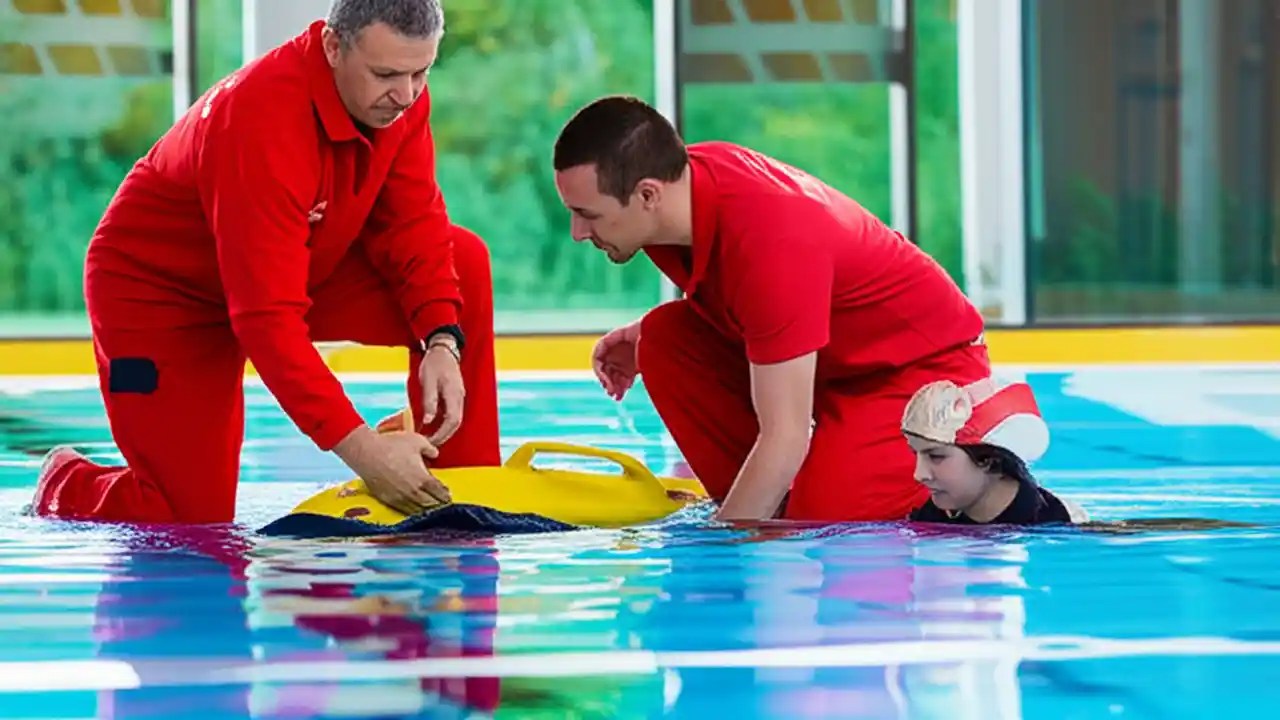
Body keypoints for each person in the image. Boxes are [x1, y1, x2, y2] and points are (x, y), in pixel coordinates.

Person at [30, 0, 500, 525]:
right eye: (387, 73)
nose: (407, 94)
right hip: (163, 294)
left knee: (465, 261)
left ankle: (457, 489)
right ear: (332, 46)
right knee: (187, 517)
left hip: (295, 261)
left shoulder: (399, 101)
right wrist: (363, 450)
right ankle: (64, 481)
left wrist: (440, 338)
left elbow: (414, 226)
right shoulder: (262, 120)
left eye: (421, 72)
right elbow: (265, 320)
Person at [551, 95, 991, 522]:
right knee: (665, 338)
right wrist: (641, 335)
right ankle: (766, 507)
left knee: (817, 524)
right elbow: (748, 294)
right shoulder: (683, 189)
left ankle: (974, 446)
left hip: (919, 373)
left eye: (587, 213)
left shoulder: (772, 242)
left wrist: (723, 549)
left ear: (647, 195)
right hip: (830, 364)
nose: (577, 232)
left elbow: (786, 434)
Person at [900, 377, 1084, 525]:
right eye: (916, 454)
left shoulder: (1059, 524)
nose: (919, 474)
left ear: (990, 461)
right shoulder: (929, 520)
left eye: (936, 456)